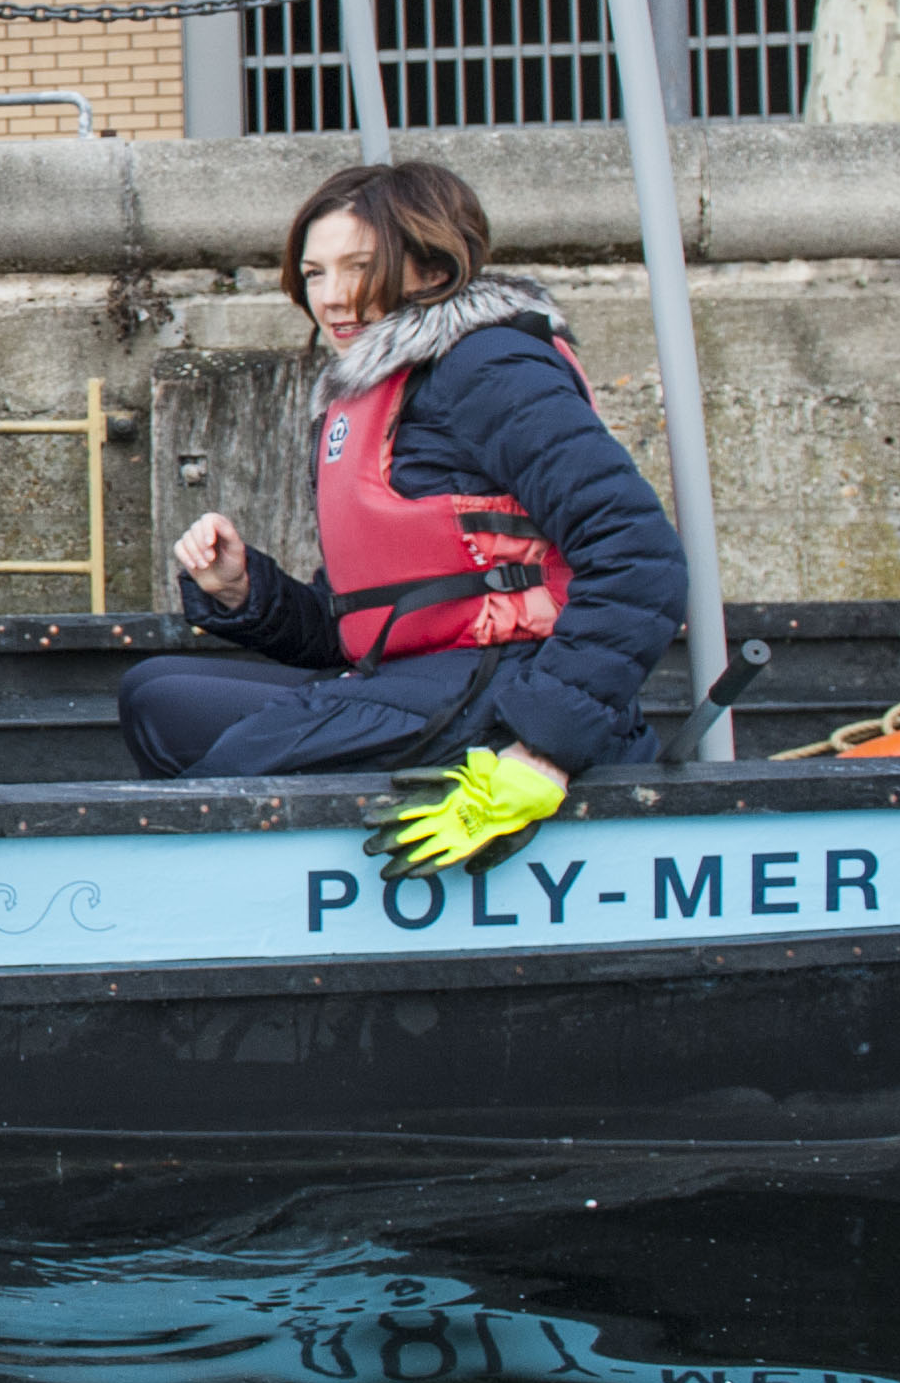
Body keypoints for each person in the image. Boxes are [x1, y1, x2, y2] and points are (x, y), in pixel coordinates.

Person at [123, 161, 688, 866]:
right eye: (315, 273)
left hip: (508, 688)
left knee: (228, 774)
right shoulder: (377, 393)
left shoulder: (488, 368)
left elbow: (640, 557)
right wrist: (243, 591)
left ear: (431, 267)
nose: (333, 298)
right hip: (422, 682)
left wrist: (544, 749)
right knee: (158, 698)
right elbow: (358, 627)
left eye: (359, 267)